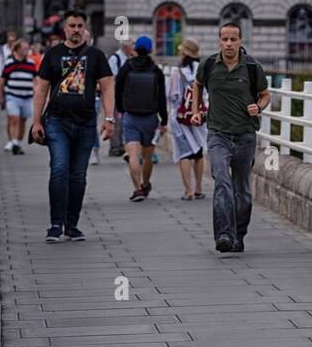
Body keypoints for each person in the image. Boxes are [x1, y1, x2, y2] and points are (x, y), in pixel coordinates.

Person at [31, 9, 114, 243]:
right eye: (72, 26)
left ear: (84, 28)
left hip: (86, 122)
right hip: (57, 121)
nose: (76, 30)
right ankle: (55, 224)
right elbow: (41, 89)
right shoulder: (52, 54)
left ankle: (72, 224)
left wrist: (109, 119)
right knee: (59, 169)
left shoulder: (96, 56)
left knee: (78, 175)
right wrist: (36, 121)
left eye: (79, 26)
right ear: (65, 29)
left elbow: (107, 87)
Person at [191, 22, 270, 253]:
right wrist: (197, 110)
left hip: (245, 135)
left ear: (240, 42)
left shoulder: (252, 67)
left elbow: (265, 95)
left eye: (233, 39)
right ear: (219, 41)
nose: (228, 43)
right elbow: (197, 85)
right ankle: (224, 234)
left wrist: (259, 106)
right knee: (222, 183)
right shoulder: (208, 65)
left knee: (242, 191)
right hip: (218, 134)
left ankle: (239, 234)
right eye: (224, 39)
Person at [115, 35, 168, 202]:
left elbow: (118, 90)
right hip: (150, 118)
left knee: (132, 155)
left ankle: (137, 189)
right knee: (147, 156)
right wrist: (164, 120)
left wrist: (122, 110)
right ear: (151, 50)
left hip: (130, 116)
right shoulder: (156, 70)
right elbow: (161, 98)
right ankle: (145, 184)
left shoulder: (127, 67)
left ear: (135, 49)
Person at [169, 38, 208, 199]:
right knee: (198, 152)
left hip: (180, 117)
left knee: (184, 153)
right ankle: (198, 188)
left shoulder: (177, 72)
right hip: (199, 117)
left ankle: (188, 191)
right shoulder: (203, 70)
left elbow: (172, 96)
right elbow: (206, 94)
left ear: (185, 53)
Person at [0, 38, 36, 152]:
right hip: (12, 96)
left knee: (23, 120)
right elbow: (2, 81)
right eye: (25, 49)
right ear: (18, 49)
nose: (27, 51)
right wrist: (0, 96)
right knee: (14, 119)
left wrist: (36, 91)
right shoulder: (10, 63)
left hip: (27, 97)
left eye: (27, 48)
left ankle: (18, 142)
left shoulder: (31, 63)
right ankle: (13, 142)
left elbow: (35, 79)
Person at [107, 39, 136, 156]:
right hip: (115, 94)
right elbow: (111, 78)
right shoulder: (116, 58)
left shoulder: (127, 58)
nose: (134, 48)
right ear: (126, 47)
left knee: (123, 122)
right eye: (132, 46)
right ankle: (115, 147)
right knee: (116, 121)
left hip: (125, 95)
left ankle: (120, 145)